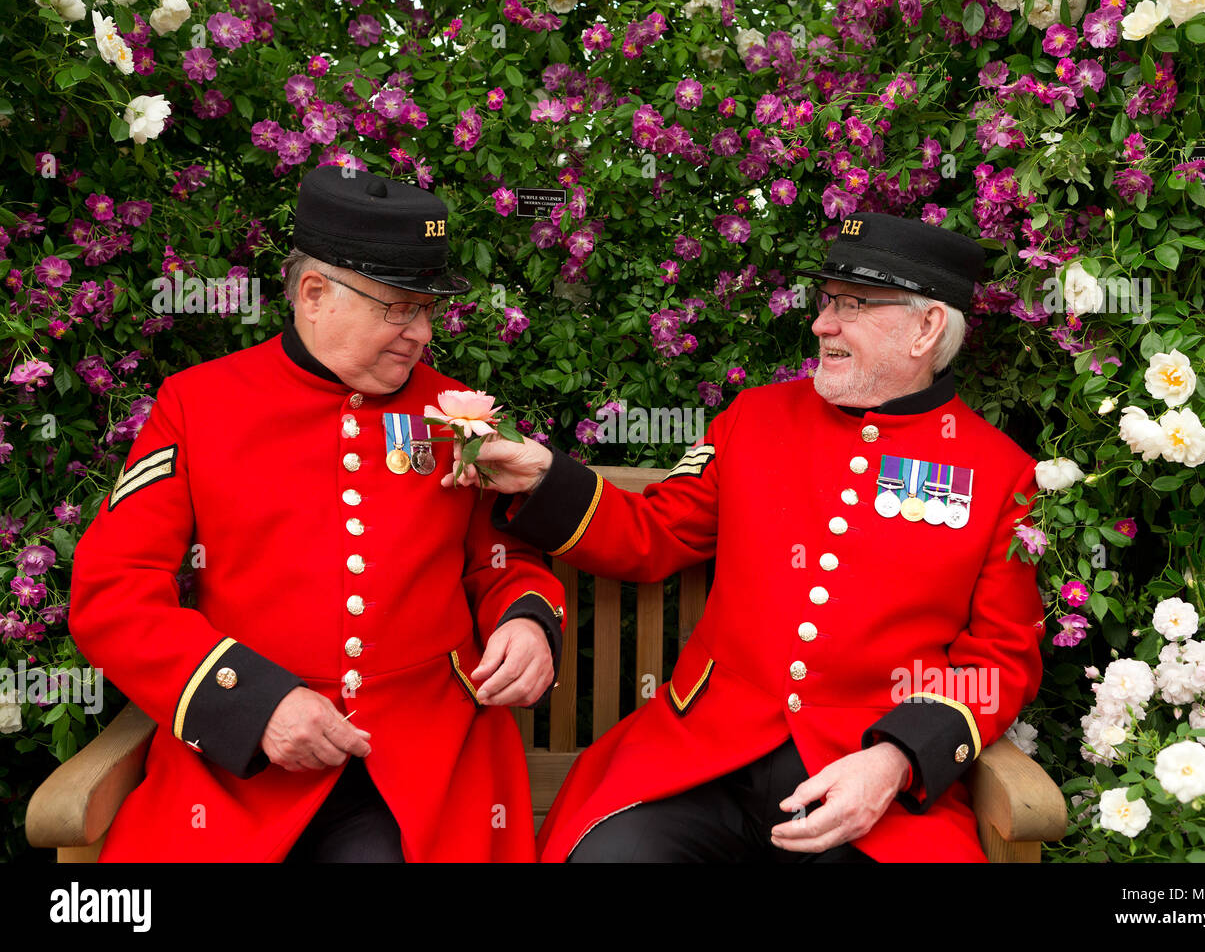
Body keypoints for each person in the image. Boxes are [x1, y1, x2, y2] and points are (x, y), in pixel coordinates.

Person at [445, 212, 1045, 862]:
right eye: (824, 302)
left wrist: (897, 760)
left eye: (853, 305)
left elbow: (998, 658)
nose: (822, 324)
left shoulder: (1000, 475)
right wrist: (543, 477)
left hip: (859, 769)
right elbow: (651, 534)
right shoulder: (754, 419)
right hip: (702, 755)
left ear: (926, 328)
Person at [69, 166, 565, 862]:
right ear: (312, 293)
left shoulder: (455, 411)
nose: (423, 333)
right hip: (241, 774)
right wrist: (250, 701)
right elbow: (113, 592)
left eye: (429, 310)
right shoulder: (197, 405)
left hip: (424, 761)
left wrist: (528, 621)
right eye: (400, 308)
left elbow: (500, 561)